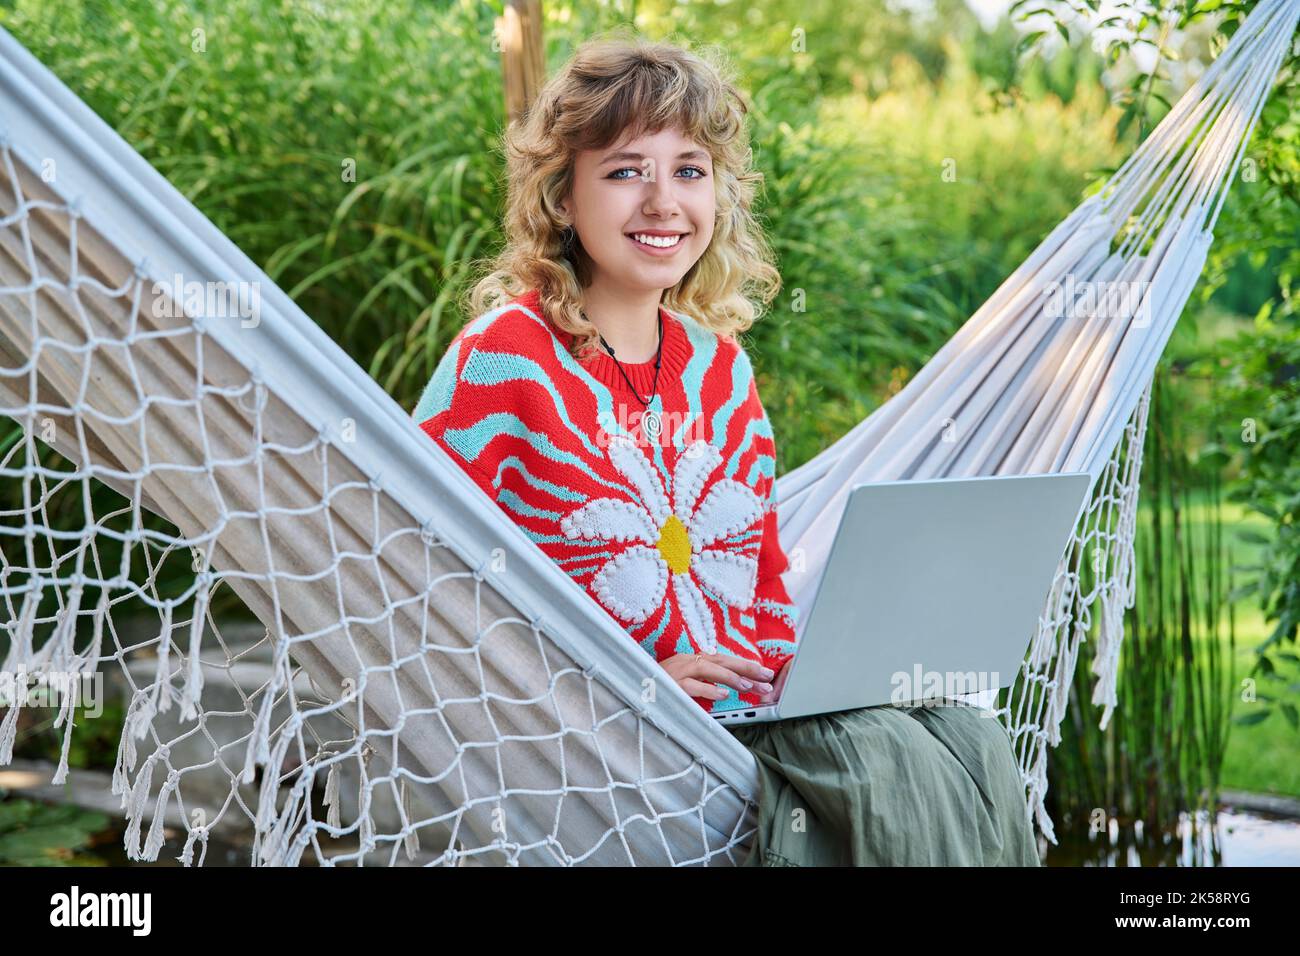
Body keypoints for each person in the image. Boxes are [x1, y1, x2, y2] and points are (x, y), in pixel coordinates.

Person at [413, 33, 1041, 867]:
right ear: (563, 196)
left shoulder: (720, 370)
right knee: (874, 769)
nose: (663, 202)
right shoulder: (505, 359)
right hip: (598, 745)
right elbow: (422, 581)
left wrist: (791, 685)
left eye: (690, 170)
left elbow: (763, 576)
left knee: (956, 734)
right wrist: (622, 689)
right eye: (626, 170)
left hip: (739, 732)